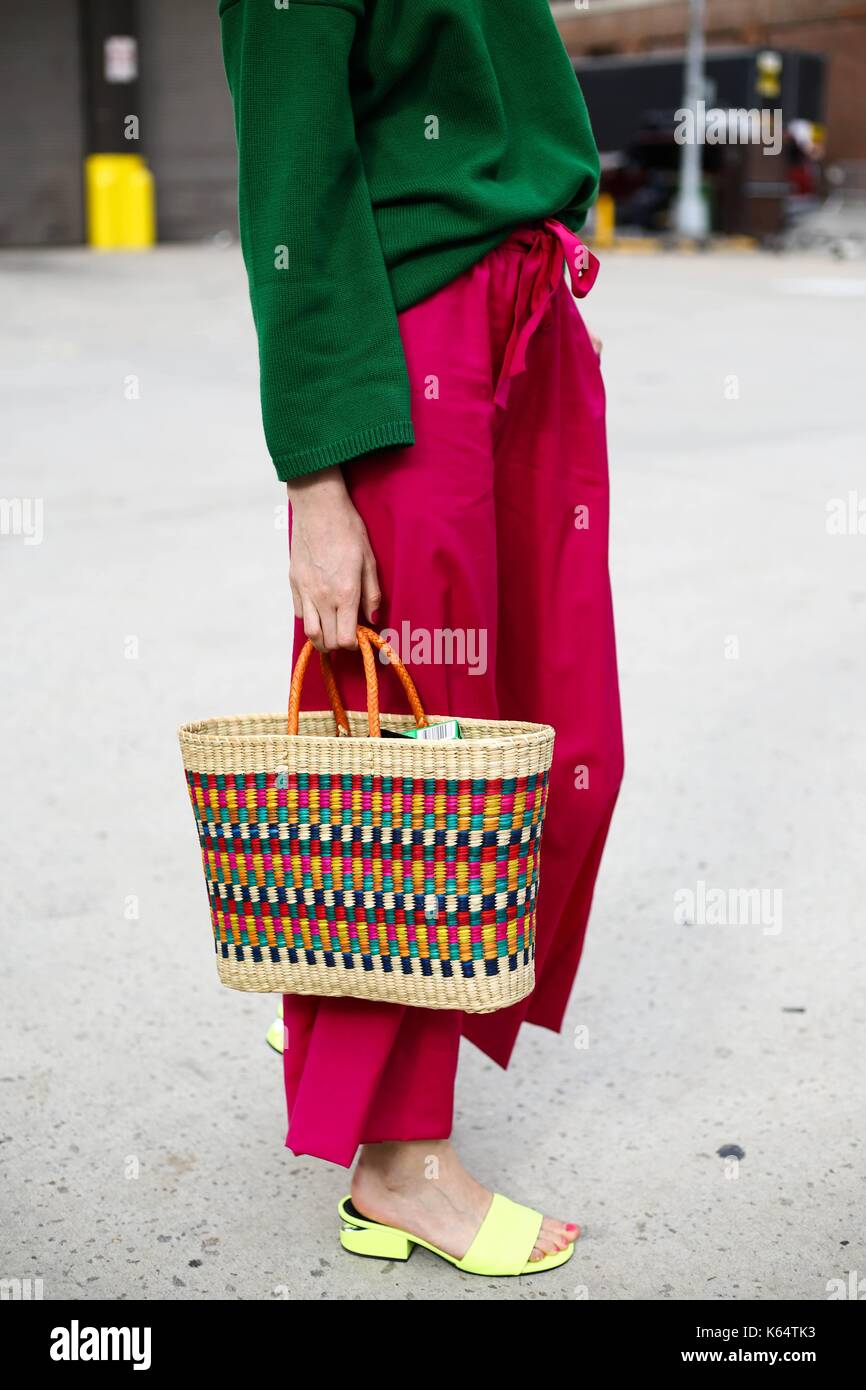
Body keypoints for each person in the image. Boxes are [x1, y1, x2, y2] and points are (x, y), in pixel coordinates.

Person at [219, 0, 623, 1277]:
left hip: (524, 314)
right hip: (410, 347)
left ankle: (342, 1019)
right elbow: (293, 180)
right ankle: (397, 1163)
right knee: (413, 776)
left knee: (570, 749)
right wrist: (321, 481)